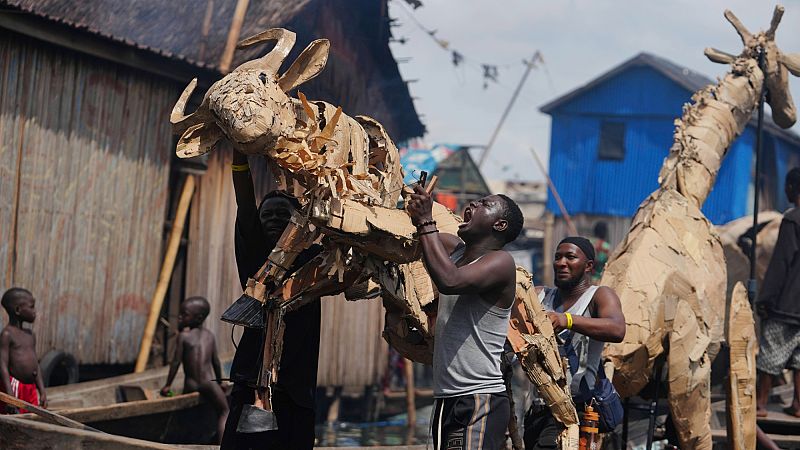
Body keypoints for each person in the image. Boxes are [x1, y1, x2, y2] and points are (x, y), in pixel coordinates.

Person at [406, 186, 523, 450]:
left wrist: (425, 219)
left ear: (500, 224)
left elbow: (449, 280)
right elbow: (427, 240)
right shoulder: (455, 251)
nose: (473, 204)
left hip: (478, 398)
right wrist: (417, 211)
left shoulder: (501, 262)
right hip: (446, 397)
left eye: (484, 203)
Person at [221, 149, 322, 450]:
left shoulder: (314, 261)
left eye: (284, 215)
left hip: (297, 389)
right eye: (269, 215)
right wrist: (241, 154)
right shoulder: (255, 257)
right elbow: (245, 204)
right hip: (255, 384)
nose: (275, 220)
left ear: (298, 223)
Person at [523, 237, 625, 450]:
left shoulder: (598, 296)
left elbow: (617, 329)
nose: (561, 262)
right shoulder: (541, 296)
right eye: (557, 257)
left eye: (570, 257)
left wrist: (566, 320)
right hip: (539, 408)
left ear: (588, 266)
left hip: (575, 410)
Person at [756, 167, 800, 418]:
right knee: (799, 362)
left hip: (786, 306)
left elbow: (781, 263)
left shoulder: (793, 218)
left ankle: (760, 404)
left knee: (770, 356)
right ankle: (797, 405)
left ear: (792, 189)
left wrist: (766, 299)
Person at [161, 297, 229, 442]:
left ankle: (187, 439)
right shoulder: (209, 336)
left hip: (190, 384)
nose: (179, 317)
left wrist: (168, 385)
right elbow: (216, 362)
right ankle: (221, 445)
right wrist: (221, 382)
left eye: (184, 314)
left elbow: (175, 363)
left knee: (187, 416)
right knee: (225, 411)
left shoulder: (183, 337)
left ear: (198, 318)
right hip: (208, 383)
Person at [0, 287, 46, 413]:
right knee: (14, 421)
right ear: (18, 310)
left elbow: (35, 365)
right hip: (15, 386)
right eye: (31, 307)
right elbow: (2, 366)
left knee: (32, 418)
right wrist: (9, 396)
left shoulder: (30, 334)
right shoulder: (7, 334)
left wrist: (41, 390)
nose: (35, 311)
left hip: (30, 387)